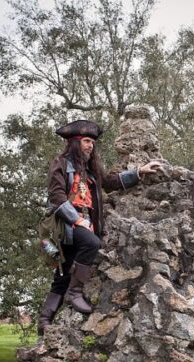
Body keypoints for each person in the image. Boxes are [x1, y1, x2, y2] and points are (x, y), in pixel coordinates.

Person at [36, 119, 161, 335]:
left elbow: (111, 182)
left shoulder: (92, 170)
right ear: (75, 142)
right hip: (64, 227)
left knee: (63, 275)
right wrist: (76, 219)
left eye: (92, 142)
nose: (90, 145)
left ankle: (45, 321)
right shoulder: (61, 163)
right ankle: (73, 295)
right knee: (89, 245)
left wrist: (139, 171)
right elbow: (56, 197)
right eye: (86, 141)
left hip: (84, 224)